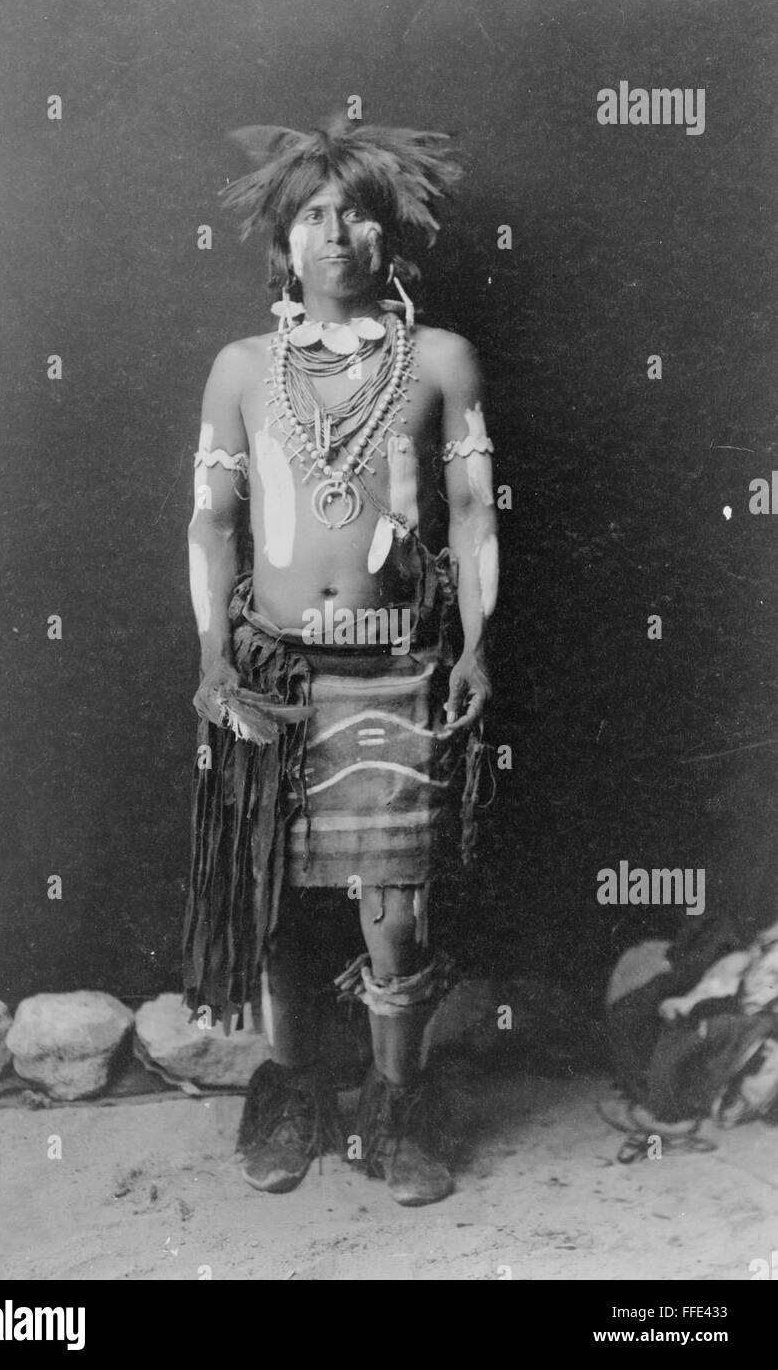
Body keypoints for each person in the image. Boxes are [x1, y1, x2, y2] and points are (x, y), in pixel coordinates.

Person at [183, 117, 498, 1206]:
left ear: (391, 234)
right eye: (314, 214)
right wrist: (215, 654)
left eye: (358, 211)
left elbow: (468, 514)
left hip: (395, 668)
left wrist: (477, 650)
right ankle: (290, 1092)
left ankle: (394, 1109)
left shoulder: (441, 359)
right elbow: (212, 525)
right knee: (273, 903)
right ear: (283, 239)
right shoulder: (241, 369)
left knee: (395, 911)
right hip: (269, 671)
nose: (337, 233)